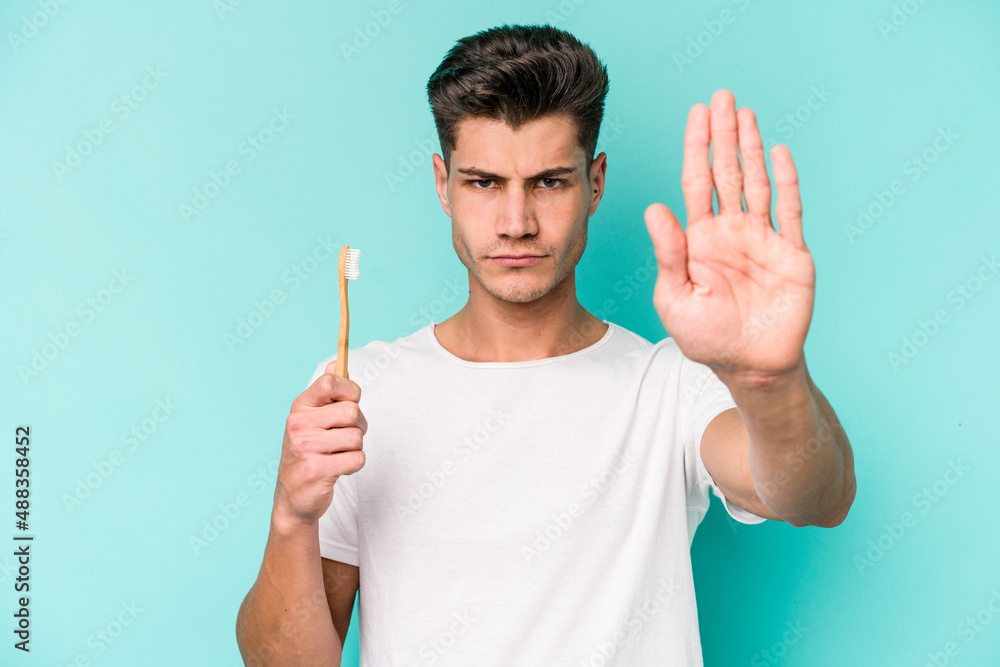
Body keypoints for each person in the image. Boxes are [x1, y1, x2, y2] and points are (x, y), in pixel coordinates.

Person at [235, 23, 856, 667]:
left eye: (550, 182)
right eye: (484, 183)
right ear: (443, 184)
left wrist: (771, 379)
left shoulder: (670, 383)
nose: (516, 223)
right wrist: (291, 517)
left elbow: (816, 496)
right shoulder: (361, 394)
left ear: (596, 182)